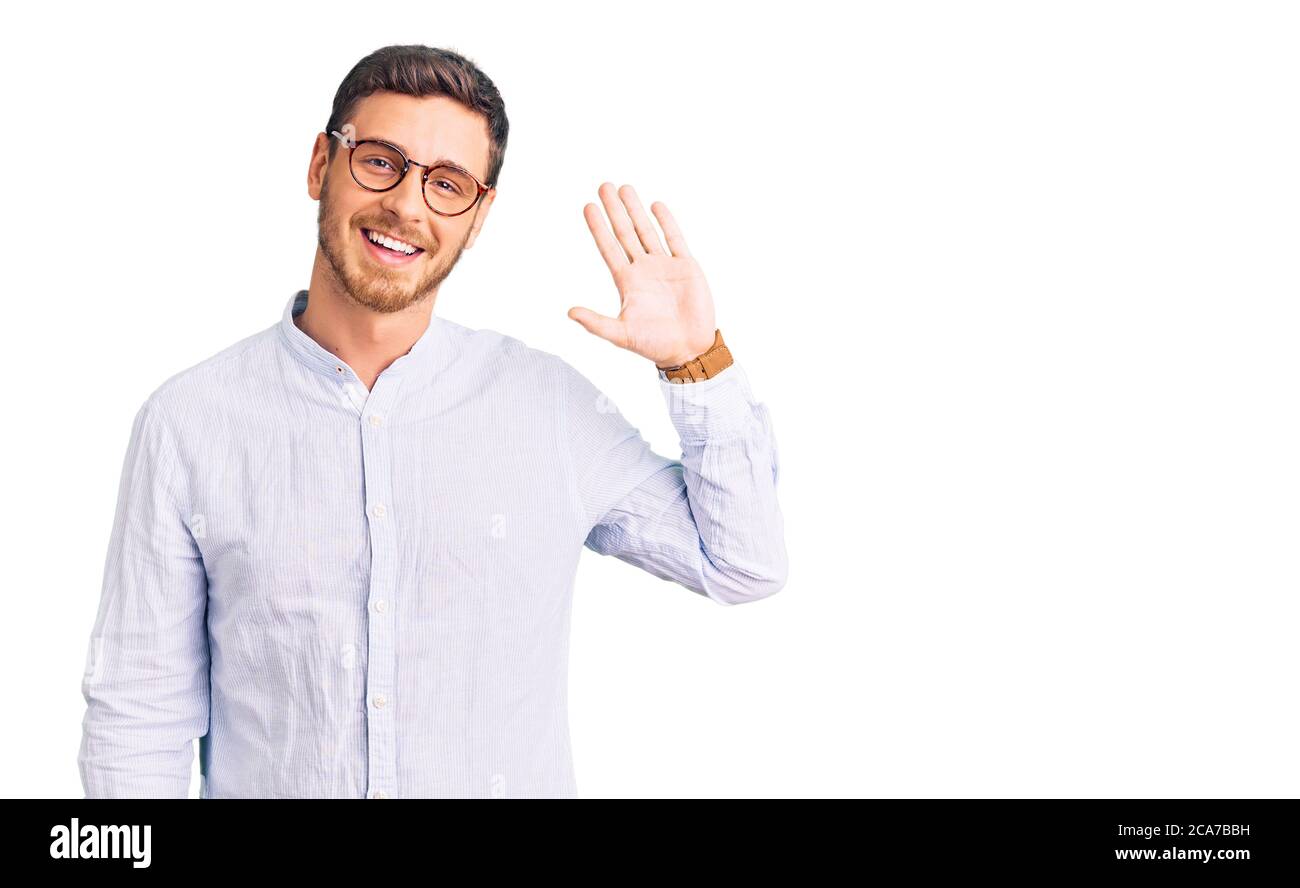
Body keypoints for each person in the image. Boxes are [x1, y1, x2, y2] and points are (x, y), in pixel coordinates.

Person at [77, 43, 787, 799]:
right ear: (322, 164)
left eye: (447, 184)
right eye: (380, 161)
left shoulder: (547, 409)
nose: (408, 206)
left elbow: (742, 563)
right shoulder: (190, 423)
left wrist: (695, 361)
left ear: (478, 218)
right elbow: (138, 718)